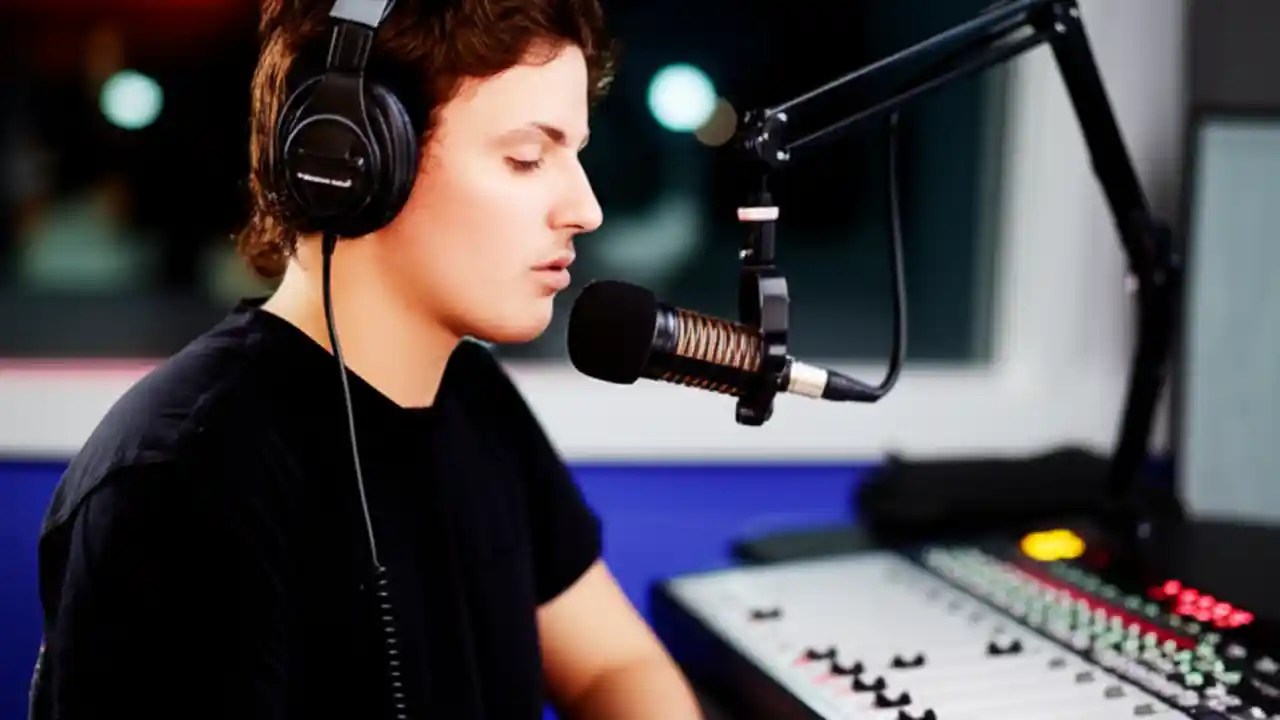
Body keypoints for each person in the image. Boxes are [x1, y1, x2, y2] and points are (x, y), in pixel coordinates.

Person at [30, 0, 704, 718]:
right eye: (527, 158)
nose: (585, 207)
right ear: (353, 160)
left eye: (575, 154)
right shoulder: (179, 480)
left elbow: (614, 665)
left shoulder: (475, 401)